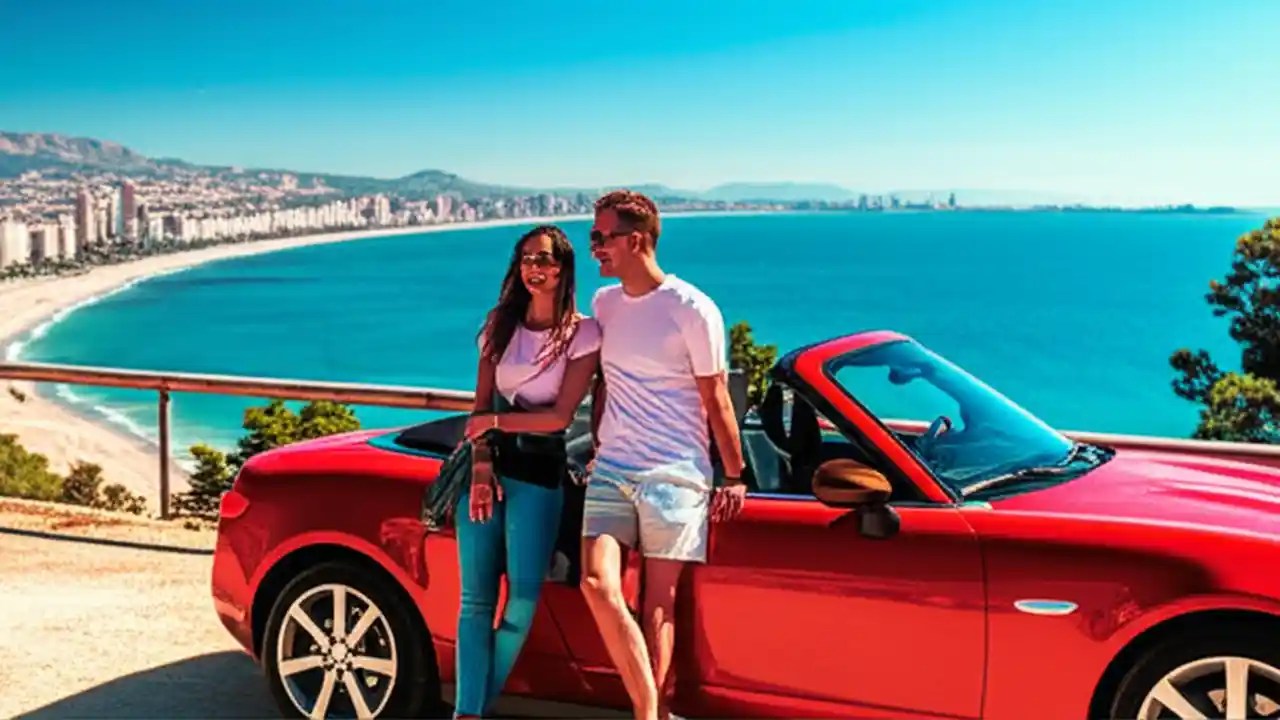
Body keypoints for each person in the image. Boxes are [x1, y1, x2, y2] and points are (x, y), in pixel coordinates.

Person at [578, 190, 747, 720]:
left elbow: (716, 396)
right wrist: (599, 440)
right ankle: (651, 712)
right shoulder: (605, 303)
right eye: (592, 238)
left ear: (636, 239)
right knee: (596, 583)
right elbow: (604, 378)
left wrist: (735, 474)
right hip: (611, 468)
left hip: (676, 476)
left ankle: (646, 714)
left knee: (660, 603)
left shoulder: (693, 309)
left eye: (602, 238)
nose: (595, 250)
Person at [454, 224, 602, 719]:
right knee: (474, 602)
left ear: (563, 268)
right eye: (525, 260)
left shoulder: (583, 334)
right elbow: (478, 405)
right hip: (489, 470)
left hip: (540, 474)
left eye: (543, 259)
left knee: (519, 605)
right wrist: (480, 467)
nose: (533, 269)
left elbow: (560, 417)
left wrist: (495, 421)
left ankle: (475, 702)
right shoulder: (500, 323)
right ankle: (466, 714)